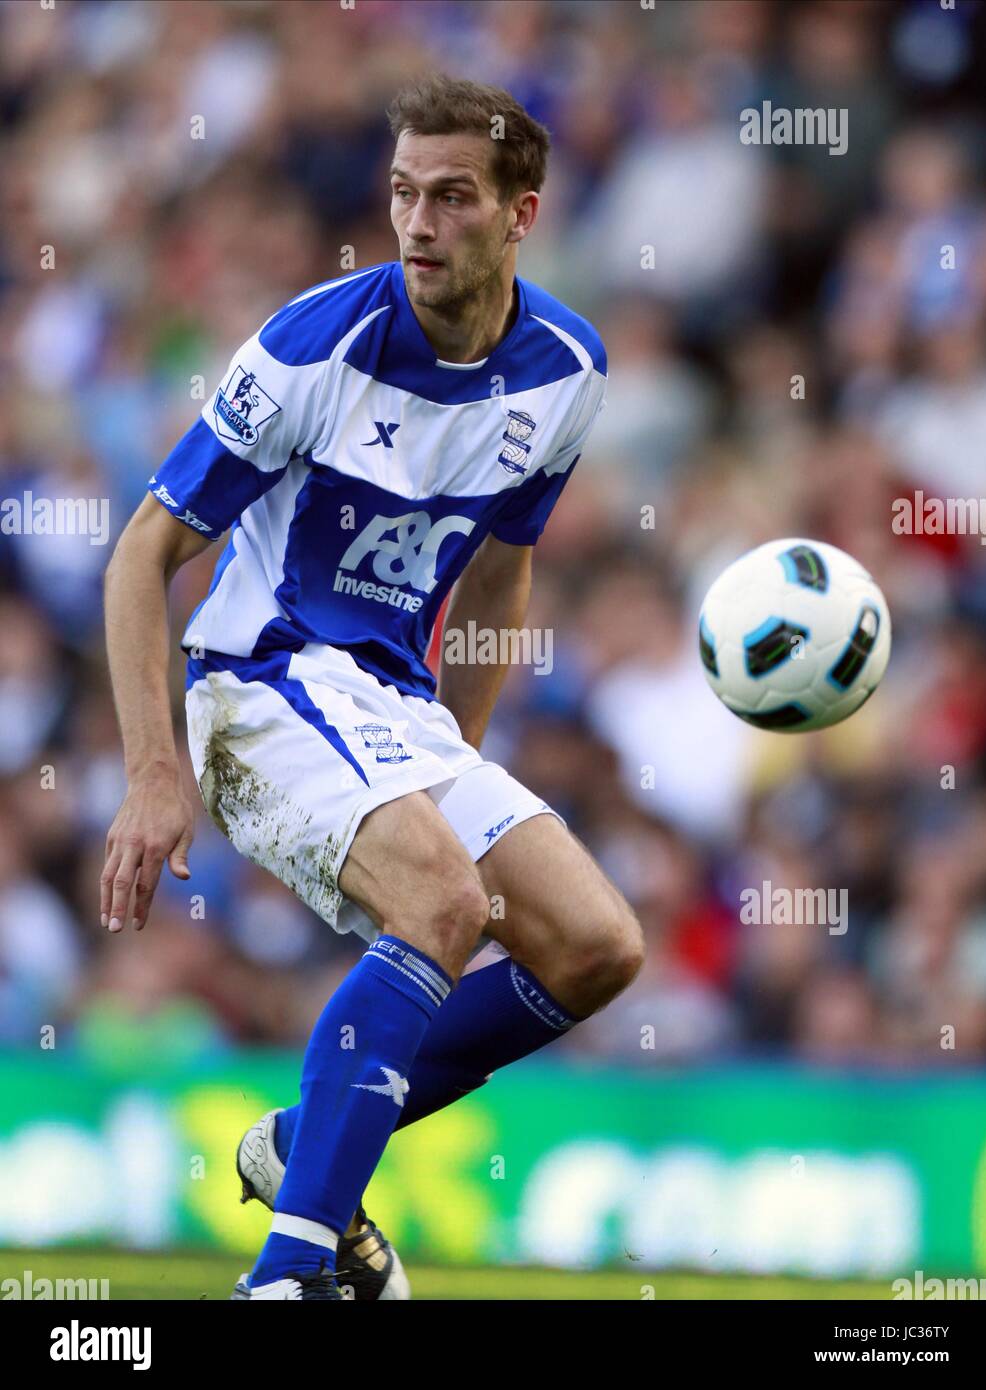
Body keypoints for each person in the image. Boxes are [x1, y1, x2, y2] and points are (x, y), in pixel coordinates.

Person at [102, 73, 644, 1301]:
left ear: (522, 214)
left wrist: (460, 751)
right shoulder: (313, 346)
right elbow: (142, 551)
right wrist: (151, 773)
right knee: (444, 903)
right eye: (403, 193)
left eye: (453, 197)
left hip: (396, 709)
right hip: (260, 682)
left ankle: (304, 1147)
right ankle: (287, 1273)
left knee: (596, 947)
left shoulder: (567, 368)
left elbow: (502, 567)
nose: (417, 224)